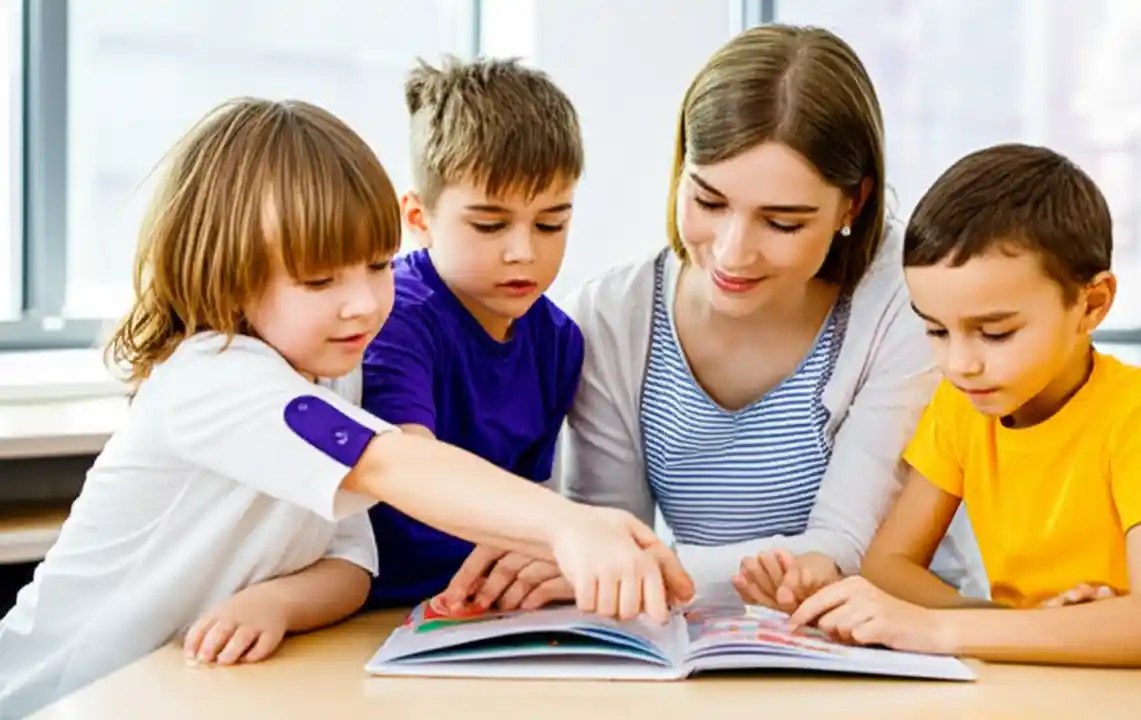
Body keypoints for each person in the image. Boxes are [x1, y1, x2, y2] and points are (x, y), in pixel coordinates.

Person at [0, 98, 692, 719]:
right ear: (226, 275)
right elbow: (391, 465)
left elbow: (349, 569)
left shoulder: (337, 375)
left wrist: (278, 601)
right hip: (59, 693)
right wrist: (567, 526)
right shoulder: (213, 378)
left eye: (378, 265)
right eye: (318, 280)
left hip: (180, 689)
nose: (363, 302)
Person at [544, 24, 984, 606]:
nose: (731, 253)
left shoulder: (910, 299)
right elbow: (611, 542)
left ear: (853, 203)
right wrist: (599, 562)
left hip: (904, 636)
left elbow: (841, 547)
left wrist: (636, 567)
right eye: (708, 201)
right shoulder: (610, 316)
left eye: (782, 222)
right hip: (720, 641)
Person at [790, 143, 1141, 667]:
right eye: (936, 330)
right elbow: (887, 568)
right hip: (1046, 685)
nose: (960, 363)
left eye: (996, 333)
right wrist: (1020, 626)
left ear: (1091, 305)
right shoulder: (962, 409)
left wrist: (939, 627)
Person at [360, 56, 586, 612]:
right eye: (489, 225)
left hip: (485, 611)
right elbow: (412, 468)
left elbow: (528, 498)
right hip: (372, 607)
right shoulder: (396, 315)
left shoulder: (558, 341)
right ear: (417, 217)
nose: (523, 251)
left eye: (551, 223)